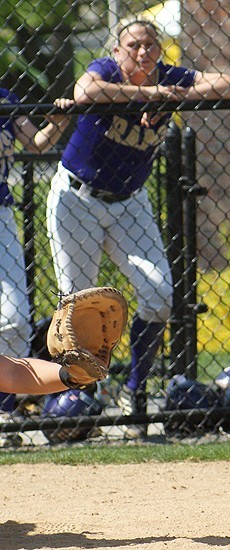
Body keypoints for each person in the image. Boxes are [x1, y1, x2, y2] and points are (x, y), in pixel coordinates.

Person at [45, 20, 230, 428]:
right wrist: (148, 95)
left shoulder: (170, 77)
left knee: (158, 296)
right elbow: (85, 91)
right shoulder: (107, 70)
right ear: (118, 51)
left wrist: (174, 94)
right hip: (78, 199)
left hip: (130, 203)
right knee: (77, 305)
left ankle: (133, 390)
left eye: (150, 45)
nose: (142, 53)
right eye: (133, 45)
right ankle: (80, 396)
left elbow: (229, 85)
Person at [0, 90, 74, 445]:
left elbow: (38, 143)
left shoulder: (4, 99)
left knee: (15, 320)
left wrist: (58, 122)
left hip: (0, 215)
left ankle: (4, 414)